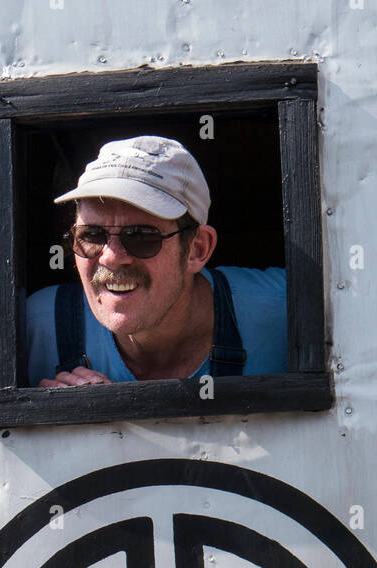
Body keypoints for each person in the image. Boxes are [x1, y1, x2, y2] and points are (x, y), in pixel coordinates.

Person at [25, 135, 287, 388]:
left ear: (197, 249)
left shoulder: (291, 313)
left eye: (140, 236)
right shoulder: (37, 328)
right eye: (92, 235)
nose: (112, 257)